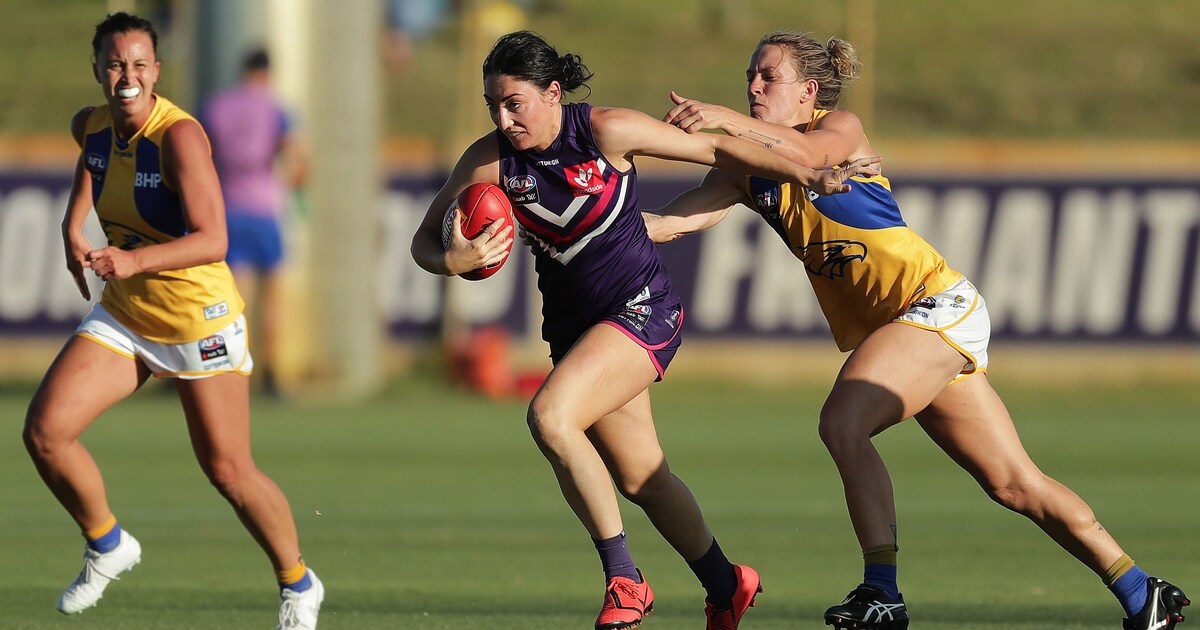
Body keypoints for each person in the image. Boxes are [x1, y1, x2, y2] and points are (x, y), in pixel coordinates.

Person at [646, 30, 1191, 630]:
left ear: (807, 92)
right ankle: (1143, 592)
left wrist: (721, 120)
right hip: (903, 333)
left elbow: (809, 159)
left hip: (933, 305)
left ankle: (883, 592)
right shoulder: (748, 172)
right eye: (750, 74)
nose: (752, 86)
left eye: (767, 76)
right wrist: (574, 219)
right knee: (1014, 484)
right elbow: (667, 225)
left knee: (842, 422)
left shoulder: (841, 128)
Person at [410, 30, 875, 630]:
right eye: (493, 105)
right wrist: (452, 260)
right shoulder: (490, 159)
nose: (503, 118)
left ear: (553, 94)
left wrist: (807, 177)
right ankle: (727, 583)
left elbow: (718, 154)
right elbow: (425, 239)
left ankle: (625, 579)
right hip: (575, 331)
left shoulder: (608, 130)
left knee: (551, 418)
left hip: (640, 309)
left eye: (515, 103)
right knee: (642, 477)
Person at [21, 13, 323, 629]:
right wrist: (71, 224)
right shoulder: (93, 123)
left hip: (197, 319)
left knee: (228, 470)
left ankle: (298, 581)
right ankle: (108, 542)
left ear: (156, 71)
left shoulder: (180, 136)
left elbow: (215, 237)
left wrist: (131, 258)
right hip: (128, 314)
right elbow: (91, 160)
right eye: (114, 64)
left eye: (138, 64)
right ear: (98, 69)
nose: (126, 76)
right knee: (46, 432)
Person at [201, 47, 308, 398]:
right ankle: (270, 374)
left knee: (233, 298)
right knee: (271, 299)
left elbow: (199, 153)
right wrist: (298, 191)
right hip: (264, 208)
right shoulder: (275, 109)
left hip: (228, 208)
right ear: (267, 72)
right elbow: (298, 157)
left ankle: (231, 369)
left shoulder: (217, 106)